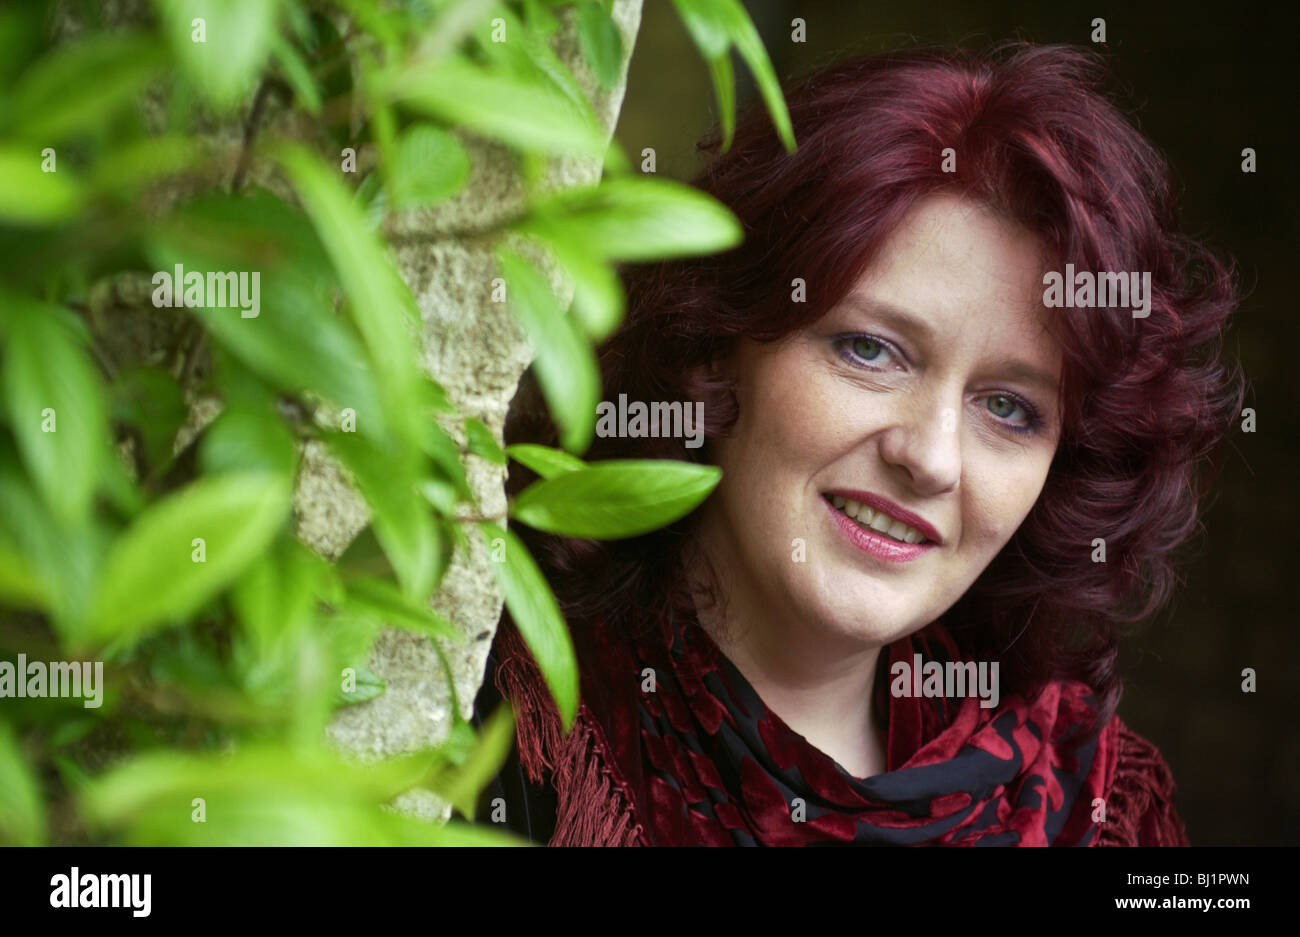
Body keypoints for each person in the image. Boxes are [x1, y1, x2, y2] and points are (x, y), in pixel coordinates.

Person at [473, 42, 1243, 846]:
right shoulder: (501, 701)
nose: (932, 456)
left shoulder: (1094, 806)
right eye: (870, 350)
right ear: (716, 343)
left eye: (1010, 407)